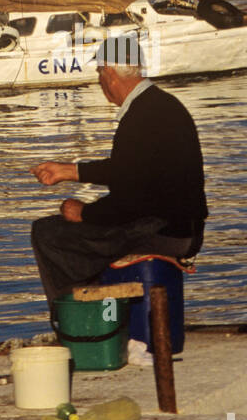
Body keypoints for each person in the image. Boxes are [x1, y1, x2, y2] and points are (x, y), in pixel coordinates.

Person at [30, 36, 207, 311]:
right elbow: (129, 170)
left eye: (100, 72)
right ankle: (106, 307)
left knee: (48, 233)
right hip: (186, 227)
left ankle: (80, 318)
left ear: (109, 73)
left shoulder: (140, 118)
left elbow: (130, 201)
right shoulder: (163, 105)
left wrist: (85, 213)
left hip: (165, 232)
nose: (100, 81)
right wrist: (69, 171)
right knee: (84, 233)